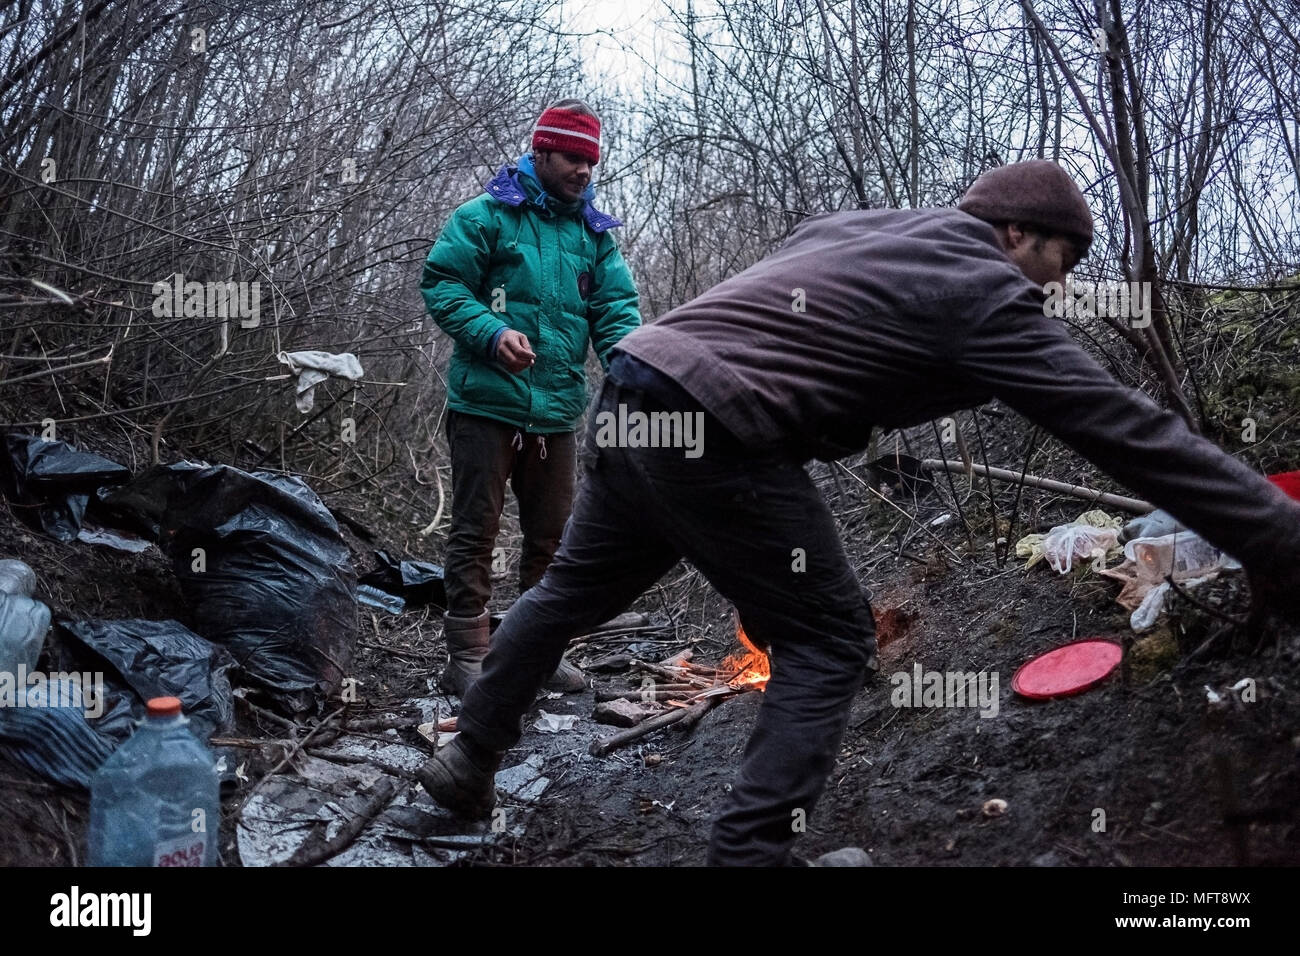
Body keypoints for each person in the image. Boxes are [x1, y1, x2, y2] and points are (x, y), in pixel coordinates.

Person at [417, 160, 1300, 865]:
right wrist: (1276, 534)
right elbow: (1123, 427)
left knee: (569, 591)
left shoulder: (868, 228)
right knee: (830, 638)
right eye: (1057, 268)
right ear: (1017, 234)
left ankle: (468, 761)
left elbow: (810, 286)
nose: (1054, 295)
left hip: (639, 388)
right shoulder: (980, 281)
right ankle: (753, 854)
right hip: (718, 425)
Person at [420, 99, 640, 696]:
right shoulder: (487, 215)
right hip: (485, 406)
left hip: (556, 411)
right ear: (540, 151)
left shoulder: (593, 235)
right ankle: (467, 654)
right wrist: (491, 333)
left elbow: (614, 310)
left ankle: (537, 651)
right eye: (572, 157)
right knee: (476, 529)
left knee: (554, 537)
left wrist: (636, 370)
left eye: (591, 161)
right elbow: (442, 284)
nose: (584, 171)